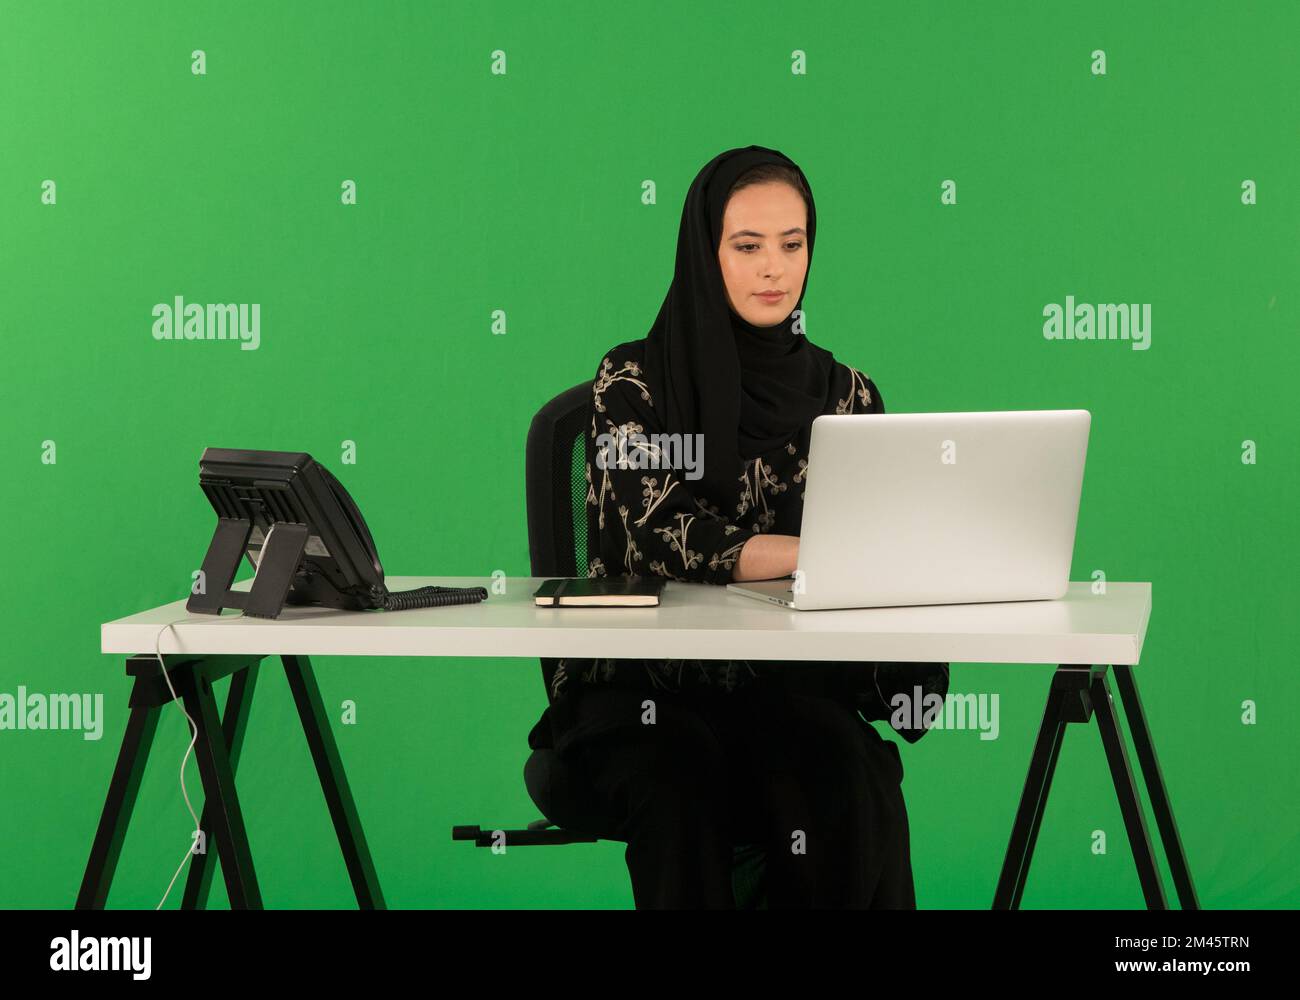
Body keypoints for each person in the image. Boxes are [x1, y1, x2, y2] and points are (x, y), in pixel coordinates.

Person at [527, 144, 949, 908]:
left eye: (793, 245)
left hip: (780, 689)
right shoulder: (630, 382)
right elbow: (664, 531)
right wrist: (817, 554)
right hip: (641, 691)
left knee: (843, 773)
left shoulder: (847, 397)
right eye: (747, 246)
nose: (773, 269)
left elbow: (880, 539)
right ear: (704, 251)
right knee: (679, 775)